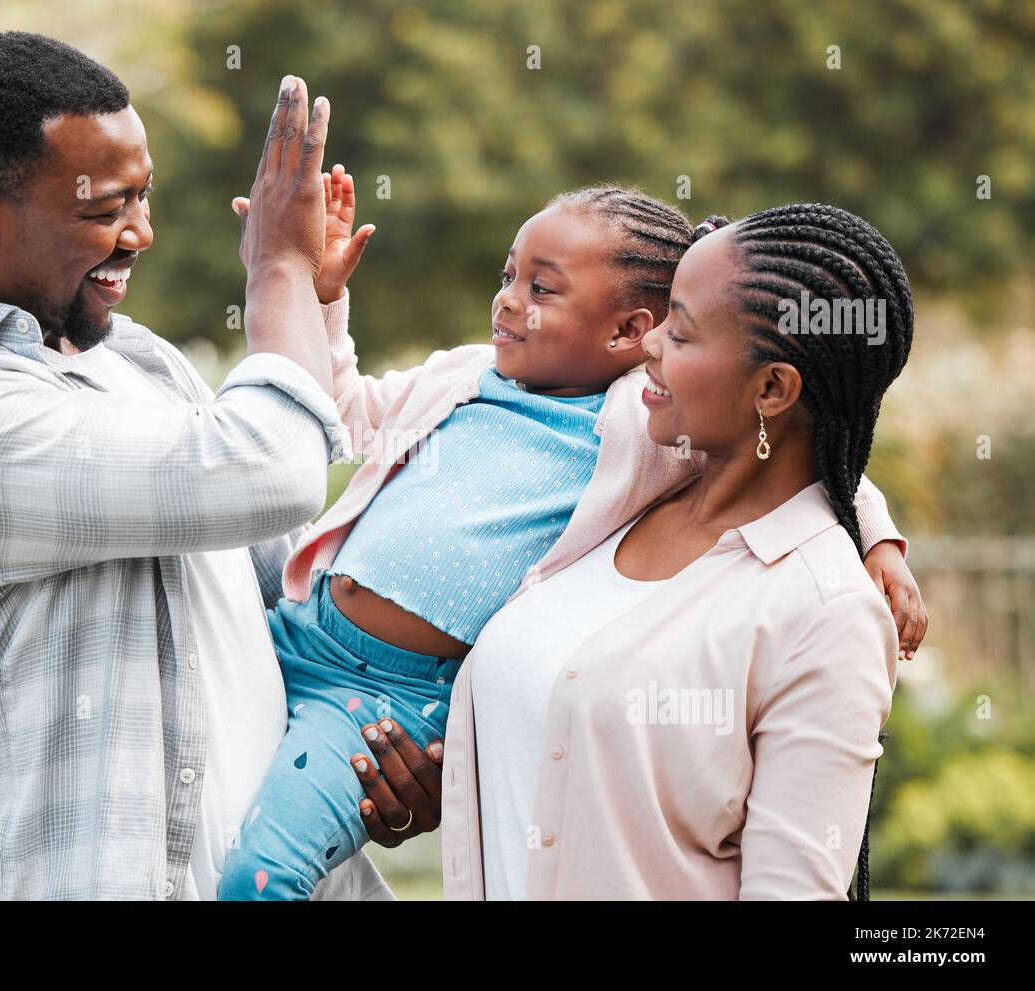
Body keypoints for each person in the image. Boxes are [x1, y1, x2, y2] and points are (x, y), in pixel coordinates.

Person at [216, 178, 925, 899]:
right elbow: (345, 410)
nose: (649, 344)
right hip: (304, 632)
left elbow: (816, 455)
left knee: (256, 877)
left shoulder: (635, 440)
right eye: (509, 276)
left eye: (677, 329)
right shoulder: (476, 383)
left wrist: (878, 541)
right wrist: (313, 293)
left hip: (383, 694)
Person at [0, 31, 426, 899]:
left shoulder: (140, 362)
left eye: (144, 198)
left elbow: (299, 578)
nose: (142, 234)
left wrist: (380, 751)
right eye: (105, 209)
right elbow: (265, 470)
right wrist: (277, 271)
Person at [441, 204, 918, 899]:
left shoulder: (824, 610)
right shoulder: (618, 488)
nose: (649, 344)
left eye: (682, 332)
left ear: (772, 389)